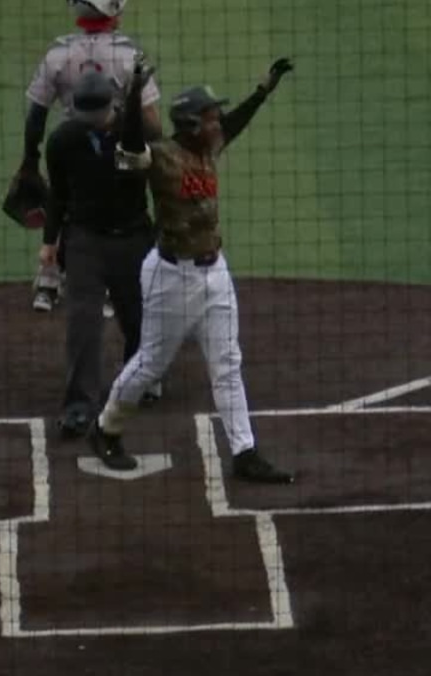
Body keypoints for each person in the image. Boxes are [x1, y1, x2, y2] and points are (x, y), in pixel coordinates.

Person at [86, 56, 296, 484]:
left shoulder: (209, 147)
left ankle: (245, 451)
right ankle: (106, 428)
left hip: (215, 272)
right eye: (210, 117)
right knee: (150, 365)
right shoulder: (161, 158)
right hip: (171, 277)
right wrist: (132, 95)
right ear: (191, 125)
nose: (218, 122)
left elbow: (234, 124)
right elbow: (128, 151)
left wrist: (263, 90)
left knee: (227, 362)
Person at [14, 0, 163, 315]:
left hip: (71, 145)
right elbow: (152, 122)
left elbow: (36, 112)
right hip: (119, 148)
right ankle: (114, 288)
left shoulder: (58, 54)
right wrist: (155, 148)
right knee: (122, 212)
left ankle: (48, 284)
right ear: (110, 10)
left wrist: (29, 159)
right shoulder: (130, 56)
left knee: (63, 206)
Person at [40, 71, 160, 437]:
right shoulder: (62, 141)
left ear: (113, 105)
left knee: (137, 315)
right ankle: (79, 405)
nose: (89, 119)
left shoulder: (133, 135)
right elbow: (58, 194)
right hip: (84, 241)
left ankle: (139, 381)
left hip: (133, 238)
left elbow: (141, 171)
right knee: (82, 322)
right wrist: (50, 241)